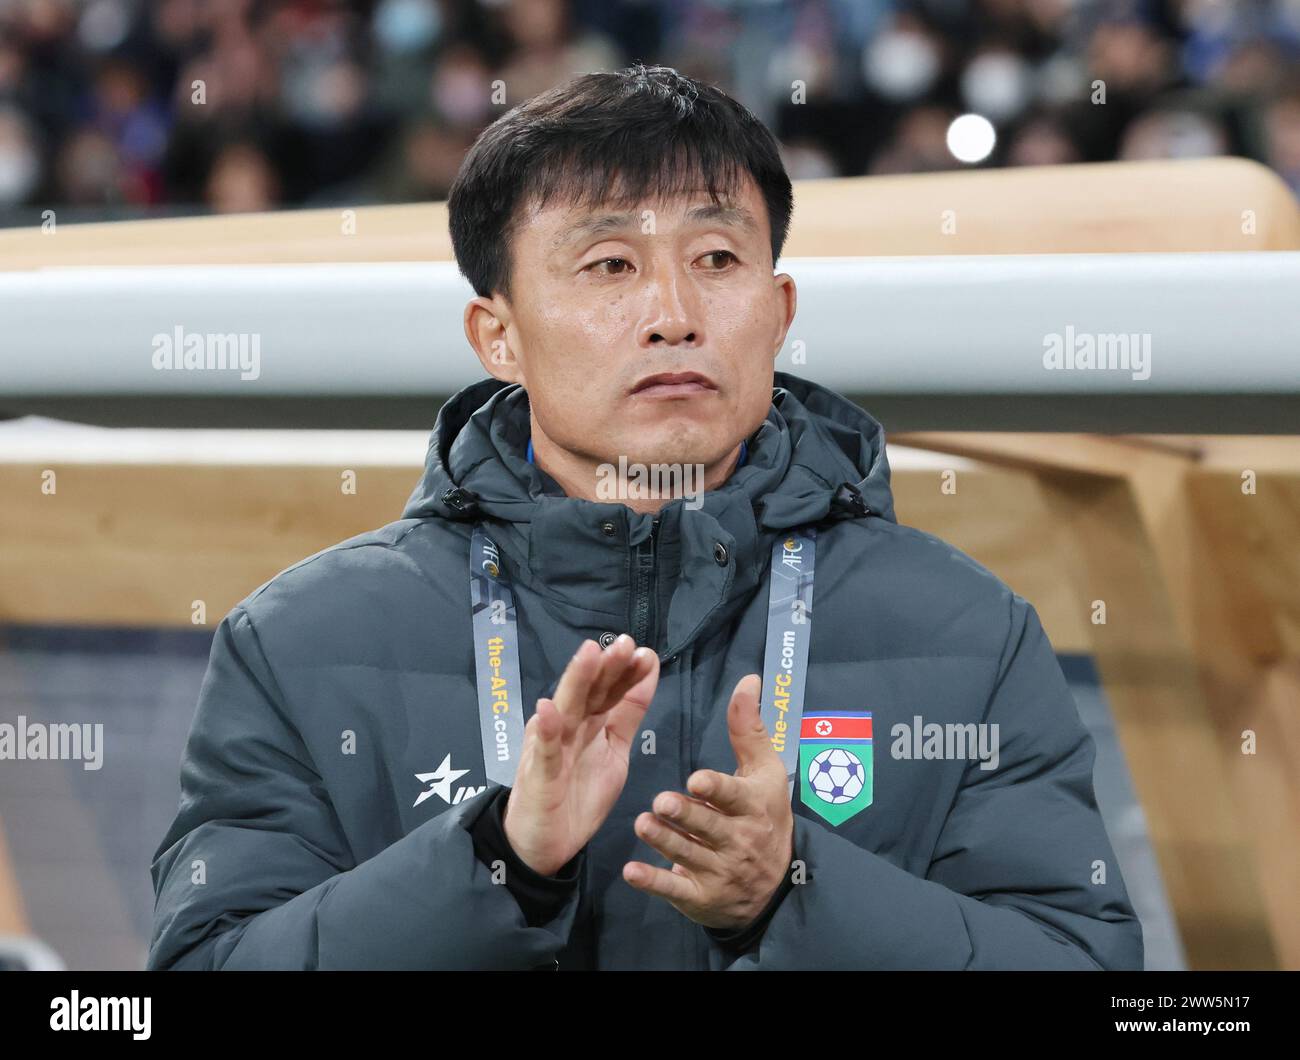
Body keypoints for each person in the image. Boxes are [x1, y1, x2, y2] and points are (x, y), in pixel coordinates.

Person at [147, 64, 1143, 971]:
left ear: (779, 309)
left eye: (716, 257)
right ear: (497, 334)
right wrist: (499, 862)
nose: (673, 311)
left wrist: (794, 896)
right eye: (610, 266)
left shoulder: (968, 633)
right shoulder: (298, 643)